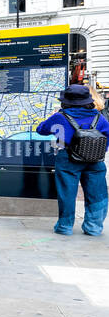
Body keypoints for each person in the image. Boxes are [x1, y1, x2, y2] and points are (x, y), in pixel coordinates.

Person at [36, 85, 109, 236]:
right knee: (97, 193)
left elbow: (41, 129)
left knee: (67, 193)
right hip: (95, 160)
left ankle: (65, 226)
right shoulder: (98, 117)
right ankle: (93, 227)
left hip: (68, 159)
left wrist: (53, 117)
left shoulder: (59, 117)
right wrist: (98, 149)